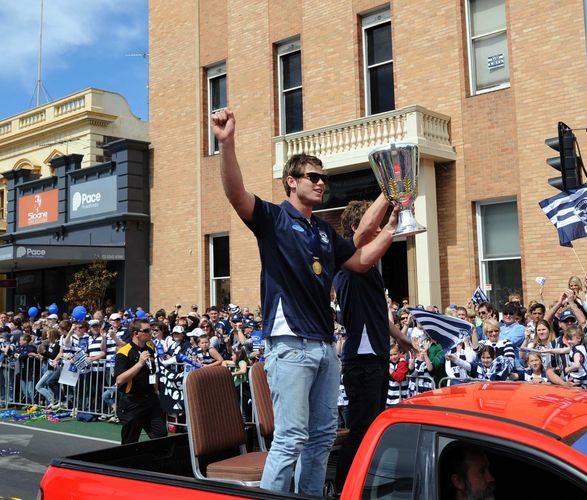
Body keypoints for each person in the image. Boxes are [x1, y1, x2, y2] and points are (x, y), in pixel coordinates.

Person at [212, 107, 398, 495]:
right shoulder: (273, 219)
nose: (321, 183)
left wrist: (394, 227)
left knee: (322, 438)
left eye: (324, 178)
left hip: (324, 348)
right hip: (290, 345)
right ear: (290, 183)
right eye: (313, 177)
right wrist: (226, 143)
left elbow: (361, 260)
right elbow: (235, 193)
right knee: (291, 437)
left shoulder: (325, 233)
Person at [333, 199, 414, 492]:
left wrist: (399, 335)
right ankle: (346, 489)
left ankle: (363, 486)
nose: (380, 231)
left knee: (373, 430)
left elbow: (376, 312)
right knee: (361, 432)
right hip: (361, 362)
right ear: (358, 228)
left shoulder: (370, 268)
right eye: (375, 226)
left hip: (376, 357)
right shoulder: (349, 265)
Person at [113, 318, 166, 445]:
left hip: (150, 400)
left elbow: (151, 372)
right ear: (136, 333)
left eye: (151, 330)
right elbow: (119, 379)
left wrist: (155, 390)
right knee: (130, 441)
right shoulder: (124, 352)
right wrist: (139, 363)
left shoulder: (150, 349)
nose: (150, 333)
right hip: (132, 401)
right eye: (147, 331)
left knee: (161, 436)